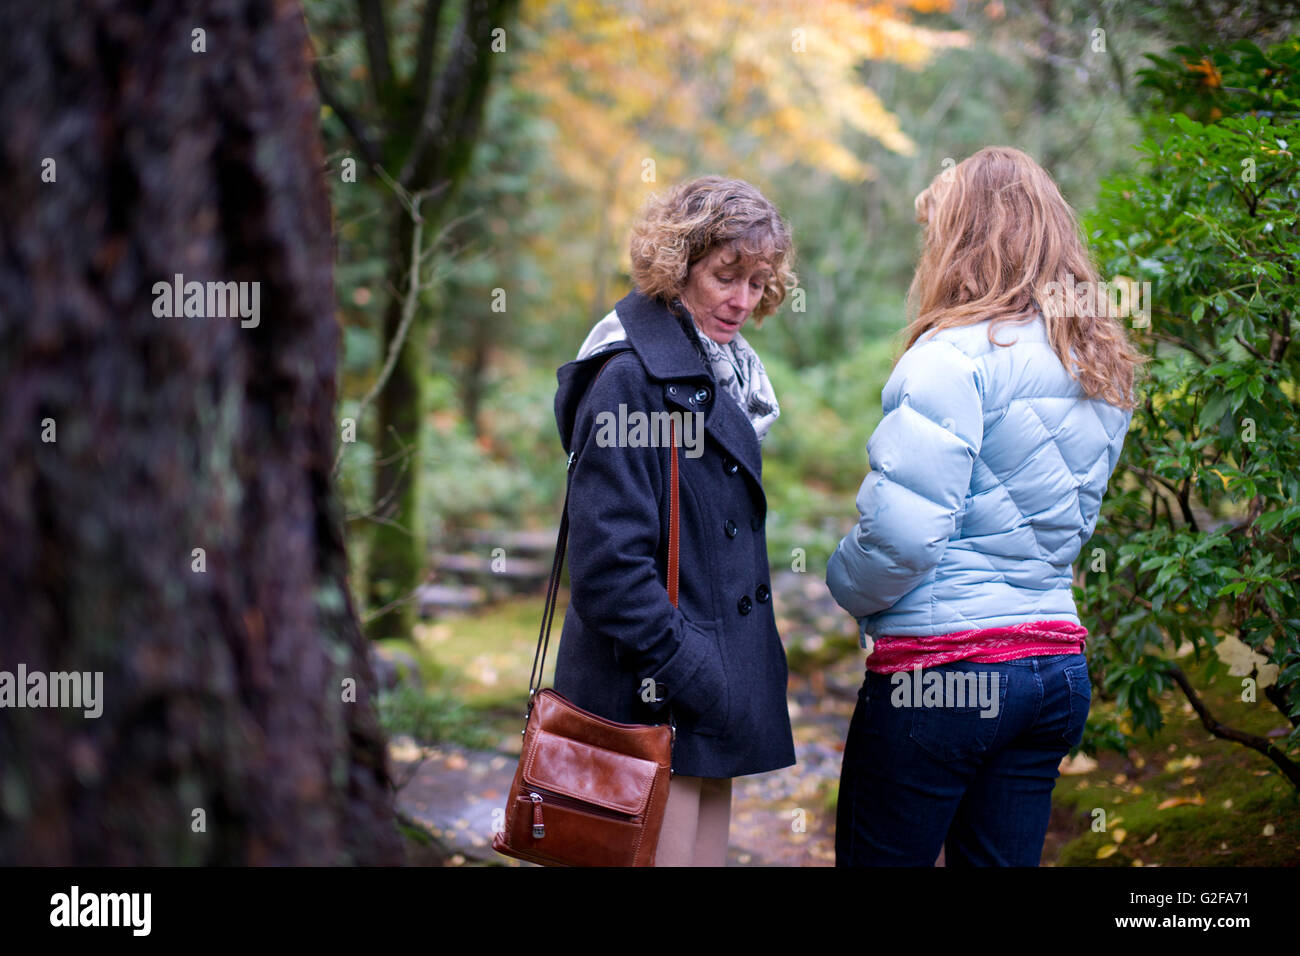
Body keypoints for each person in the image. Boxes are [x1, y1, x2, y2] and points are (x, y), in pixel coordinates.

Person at [826, 146, 1145, 866]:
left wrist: (841, 581)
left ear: (960, 242)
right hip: (1054, 670)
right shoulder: (1098, 363)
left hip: (943, 674)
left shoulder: (950, 356)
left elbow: (902, 537)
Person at [552, 176, 797, 866]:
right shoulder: (630, 377)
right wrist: (693, 668)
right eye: (726, 276)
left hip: (702, 716)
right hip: (652, 706)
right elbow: (607, 567)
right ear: (678, 262)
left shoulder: (723, 375)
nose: (743, 300)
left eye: (757, 281)